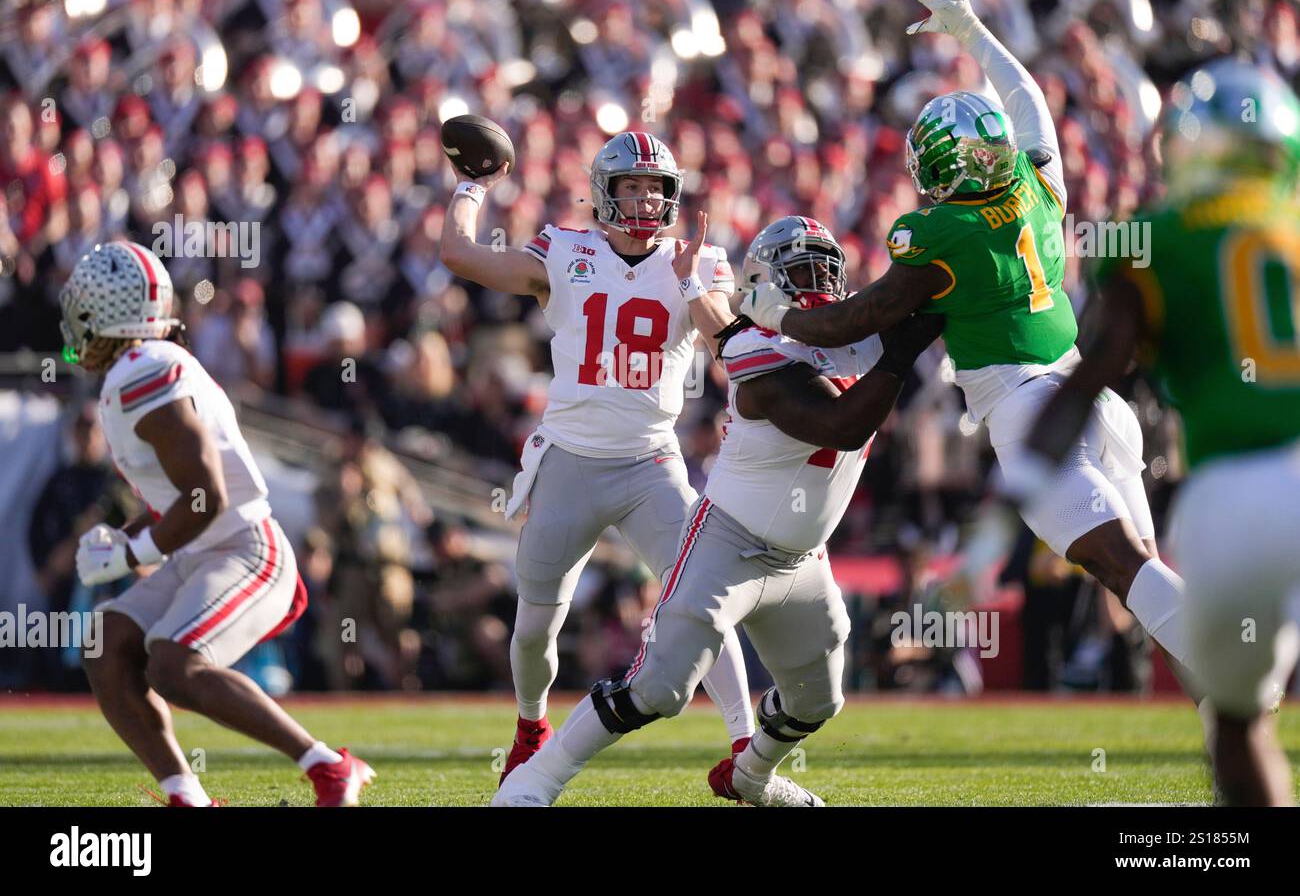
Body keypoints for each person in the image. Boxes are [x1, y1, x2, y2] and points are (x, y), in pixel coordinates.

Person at [741, 0, 1197, 696]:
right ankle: (1235, 736)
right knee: (1138, 576)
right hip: (1095, 402)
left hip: (1030, 414)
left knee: (1130, 572)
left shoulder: (940, 234)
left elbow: (858, 320)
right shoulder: (1039, 183)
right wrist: (973, 30)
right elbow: (1028, 99)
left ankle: (1240, 676)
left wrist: (776, 315)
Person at [493, 217, 943, 806]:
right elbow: (845, 423)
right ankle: (535, 780)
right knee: (659, 689)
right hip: (728, 543)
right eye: (799, 271)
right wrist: (902, 350)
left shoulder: (839, 332)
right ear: (765, 284)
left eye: (823, 267)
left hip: (803, 558)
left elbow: (726, 322)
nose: (817, 281)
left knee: (818, 698)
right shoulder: (763, 349)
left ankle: (749, 776)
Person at [1016, 59, 1300, 805]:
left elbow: (1091, 376)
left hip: (1236, 495)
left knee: (1237, 722)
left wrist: (1018, 475)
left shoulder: (1158, 237)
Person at [440, 130, 756, 784]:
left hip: (651, 464)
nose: (645, 198)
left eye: (655, 187)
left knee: (703, 599)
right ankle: (531, 726)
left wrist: (692, 282)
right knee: (534, 626)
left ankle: (744, 745)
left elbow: (731, 352)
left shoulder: (699, 259)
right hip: (569, 461)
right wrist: (473, 188)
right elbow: (461, 256)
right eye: (632, 186)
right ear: (604, 193)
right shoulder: (564, 249)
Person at [63, 242, 373, 807]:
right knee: (105, 643)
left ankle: (330, 765)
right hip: (200, 552)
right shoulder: (137, 372)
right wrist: (127, 537)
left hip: (244, 547)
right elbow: (177, 494)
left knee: (174, 662)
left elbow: (206, 496)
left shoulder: (144, 372)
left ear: (103, 314)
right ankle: (186, 795)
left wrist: (133, 555)